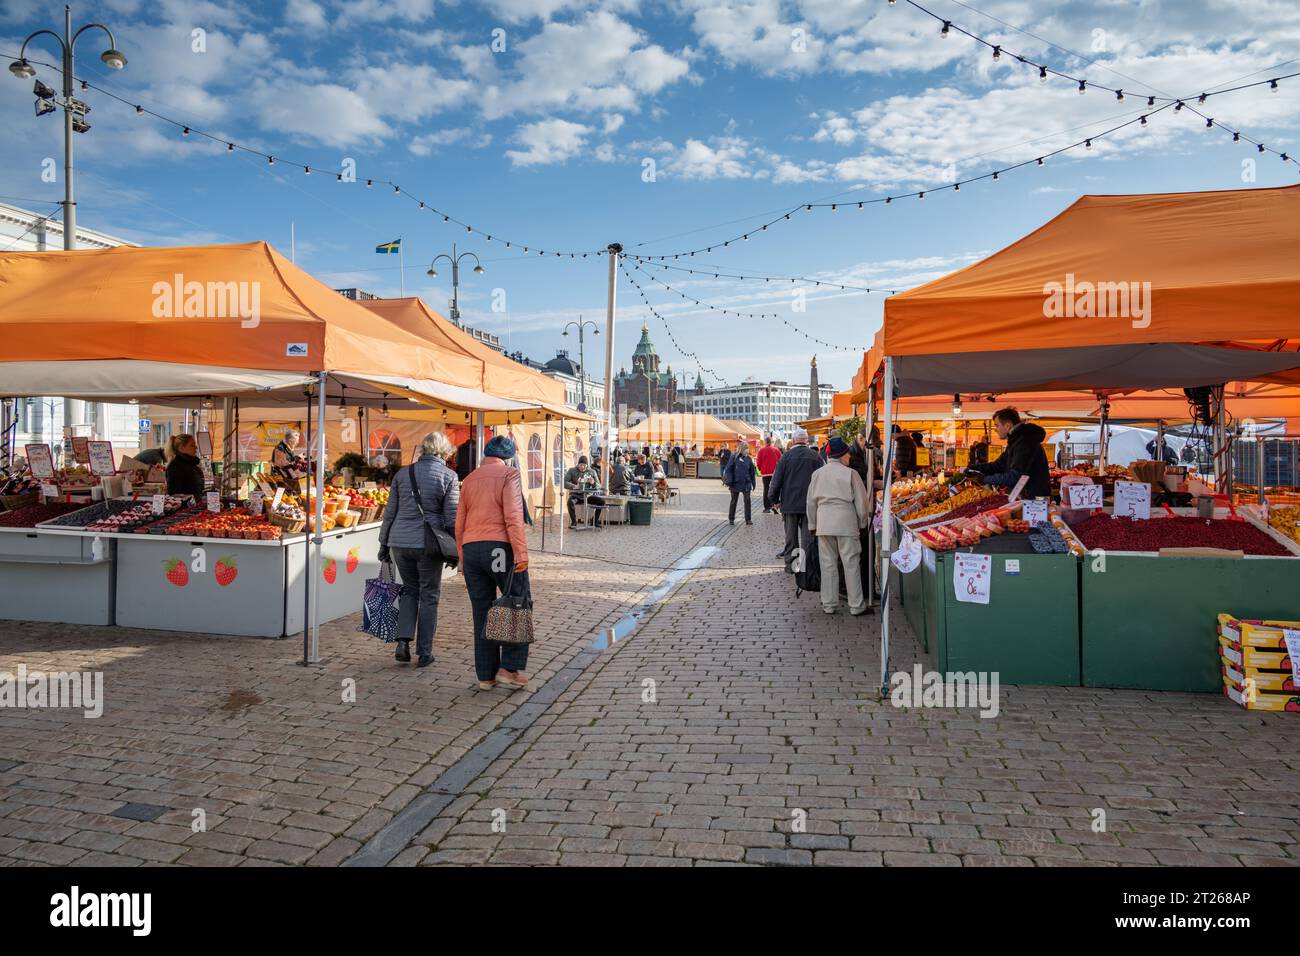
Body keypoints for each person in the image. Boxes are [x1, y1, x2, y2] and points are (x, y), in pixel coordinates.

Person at [377, 432, 459, 668]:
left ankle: (402, 642)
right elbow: (452, 517)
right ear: (444, 451)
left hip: (400, 542)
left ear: (423, 449)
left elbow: (389, 513)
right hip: (428, 543)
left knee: (409, 591)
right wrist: (455, 550)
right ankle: (424, 652)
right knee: (429, 595)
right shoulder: (449, 476)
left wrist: (383, 544)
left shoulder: (403, 473)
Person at [456, 435, 532, 691]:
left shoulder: (469, 479)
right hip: (500, 547)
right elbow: (513, 516)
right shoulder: (509, 475)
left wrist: (462, 558)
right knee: (517, 601)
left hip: (472, 548)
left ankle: (485, 676)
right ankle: (509, 668)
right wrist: (521, 553)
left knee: (482, 612)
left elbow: (460, 523)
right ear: (508, 456)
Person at [806, 436, 871, 616]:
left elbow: (810, 503)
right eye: (848, 454)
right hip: (846, 523)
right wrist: (863, 523)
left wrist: (813, 525)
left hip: (824, 523)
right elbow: (862, 503)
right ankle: (856, 605)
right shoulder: (851, 474)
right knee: (851, 564)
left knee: (827, 565)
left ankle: (829, 604)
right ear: (842, 455)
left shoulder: (817, 474)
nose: (849, 457)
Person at [768, 428, 823, 570]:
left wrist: (774, 499)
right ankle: (807, 567)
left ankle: (793, 566)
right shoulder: (815, 457)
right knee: (807, 537)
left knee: (791, 537)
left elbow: (776, 480)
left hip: (789, 503)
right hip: (809, 504)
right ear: (806, 440)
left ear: (793, 441)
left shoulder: (786, 457)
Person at [966, 408, 1051, 498]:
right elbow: (998, 465)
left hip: (1034, 500)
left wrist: (985, 479)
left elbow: (1015, 476)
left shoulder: (1025, 442)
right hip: (1025, 496)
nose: (996, 429)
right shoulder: (1016, 441)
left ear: (1007, 425)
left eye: (997, 425)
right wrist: (972, 468)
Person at [563, 455, 603, 528]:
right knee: (570, 501)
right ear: (578, 464)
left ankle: (594, 521)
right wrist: (574, 486)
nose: (582, 467)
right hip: (576, 495)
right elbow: (564, 482)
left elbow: (599, 486)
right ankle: (574, 522)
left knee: (601, 502)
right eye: (581, 465)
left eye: (584, 465)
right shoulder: (572, 470)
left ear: (587, 465)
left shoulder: (592, 471)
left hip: (588, 496)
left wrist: (593, 483)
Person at [723, 442, 756, 525]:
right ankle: (731, 518)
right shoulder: (734, 457)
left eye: (747, 448)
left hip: (746, 483)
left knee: (747, 501)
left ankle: (748, 519)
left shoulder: (748, 458)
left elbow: (752, 472)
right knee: (734, 501)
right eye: (745, 448)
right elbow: (728, 469)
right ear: (741, 449)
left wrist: (753, 482)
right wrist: (729, 481)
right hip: (735, 483)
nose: (747, 450)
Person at [165, 434, 205, 498]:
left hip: (195, 505)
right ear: (182, 448)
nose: (196, 447)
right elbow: (174, 494)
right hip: (186, 506)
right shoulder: (175, 467)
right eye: (192, 445)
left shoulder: (191, 464)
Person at [757, 436, 782, 514]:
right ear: (771, 442)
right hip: (775, 473)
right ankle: (774, 505)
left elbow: (758, 462)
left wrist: (761, 469)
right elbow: (781, 461)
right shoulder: (776, 450)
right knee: (775, 489)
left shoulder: (761, 450)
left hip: (765, 473)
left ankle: (767, 507)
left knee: (766, 490)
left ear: (765, 442)